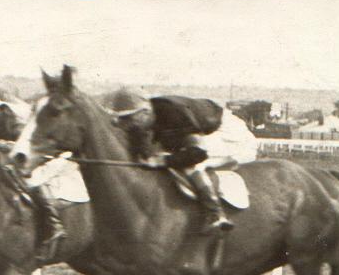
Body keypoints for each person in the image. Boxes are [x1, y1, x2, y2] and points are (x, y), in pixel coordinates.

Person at [108, 89, 259, 234]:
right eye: (123, 119)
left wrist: (162, 161)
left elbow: (198, 153)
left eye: (129, 118)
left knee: (191, 165)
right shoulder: (142, 120)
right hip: (203, 132)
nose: (127, 124)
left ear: (145, 112)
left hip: (230, 134)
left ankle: (215, 214)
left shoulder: (174, 113)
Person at [0, 86, 67, 261]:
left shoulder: (16, 120)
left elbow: (26, 150)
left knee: (30, 177)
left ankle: (54, 223)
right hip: (22, 153)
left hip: (51, 151)